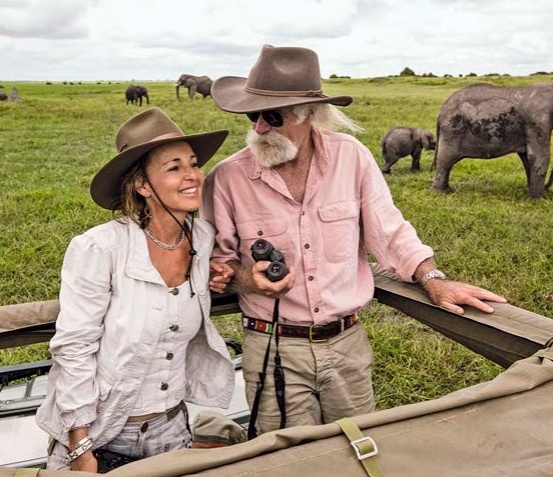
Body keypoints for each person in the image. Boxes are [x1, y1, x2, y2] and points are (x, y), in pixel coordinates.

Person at [201, 45, 507, 436]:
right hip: (271, 346)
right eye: (253, 115)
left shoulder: (352, 158)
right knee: (284, 456)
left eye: (273, 116)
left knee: (357, 445)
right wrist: (250, 280)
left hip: (346, 343)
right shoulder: (227, 178)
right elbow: (220, 262)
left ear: (310, 113)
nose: (259, 128)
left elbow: (390, 232)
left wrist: (433, 279)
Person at [36, 107, 236, 472]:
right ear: (143, 185)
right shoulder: (99, 249)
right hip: (103, 432)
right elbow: (74, 347)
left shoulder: (202, 238)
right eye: (174, 168)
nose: (192, 175)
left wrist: (220, 273)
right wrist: (81, 448)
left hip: (173, 427)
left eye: (193, 164)